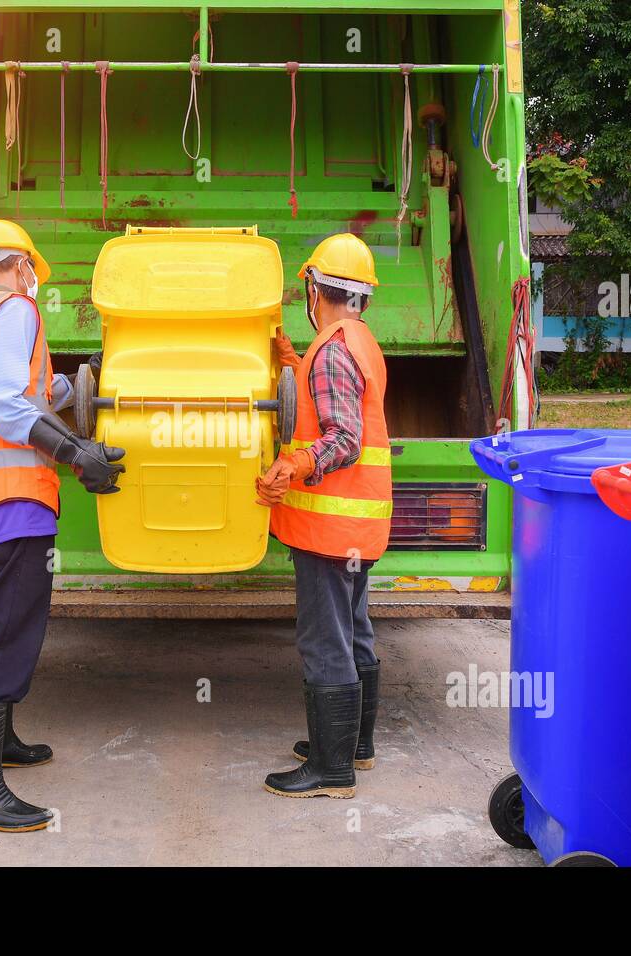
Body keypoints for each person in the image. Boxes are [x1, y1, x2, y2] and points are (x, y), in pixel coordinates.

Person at [0, 218, 125, 832]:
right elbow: (2, 400)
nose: (34, 281)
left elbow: (33, 391)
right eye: (32, 270)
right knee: (7, 631)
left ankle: (0, 744)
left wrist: (85, 379)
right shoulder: (15, 308)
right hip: (11, 500)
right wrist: (76, 452)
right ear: (18, 264)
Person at [256, 233, 392, 800]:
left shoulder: (333, 350)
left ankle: (330, 772)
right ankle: (353, 747)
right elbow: (330, 401)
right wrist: (291, 359)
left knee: (324, 640)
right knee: (353, 631)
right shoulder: (353, 342)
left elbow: (343, 439)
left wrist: (294, 464)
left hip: (329, 528)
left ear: (316, 288)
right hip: (357, 525)